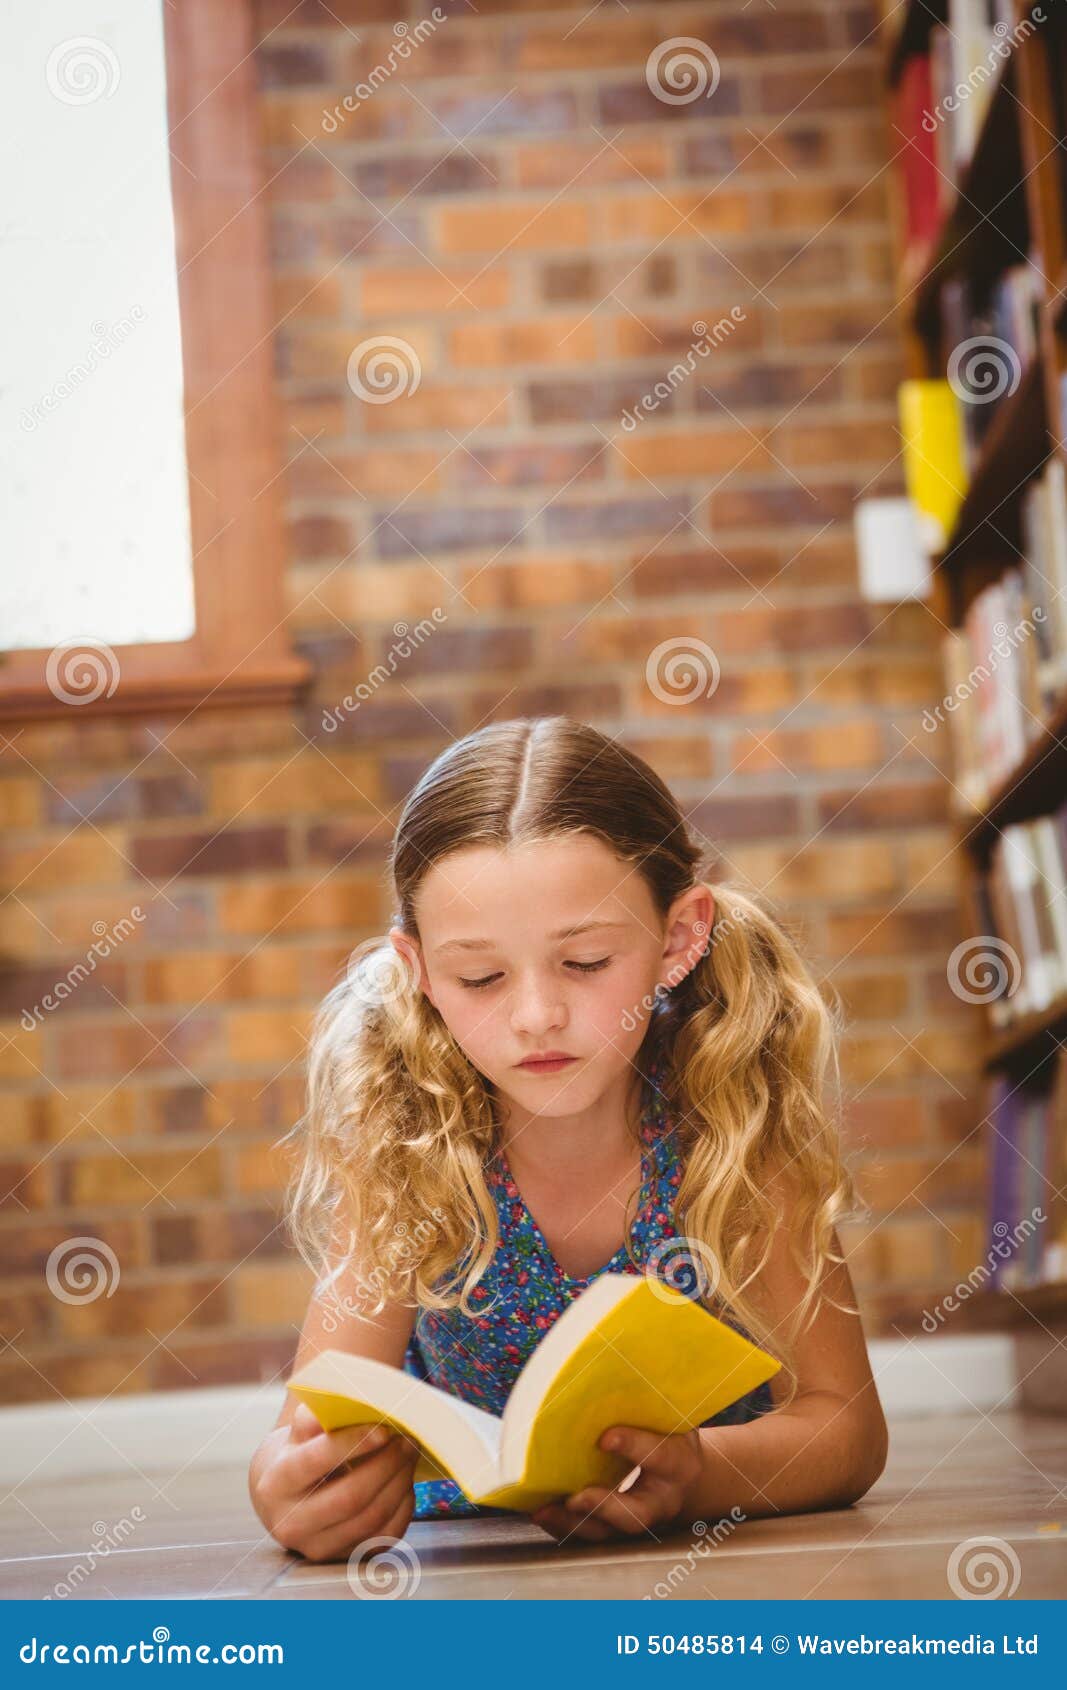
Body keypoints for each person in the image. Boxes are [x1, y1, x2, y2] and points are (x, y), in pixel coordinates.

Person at [249, 716, 888, 1562]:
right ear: (422, 975)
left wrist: (697, 1480)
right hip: (465, 1565)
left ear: (678, 938)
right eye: (480, 977)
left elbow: (844, 1426)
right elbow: (308, 1423)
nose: (535, 1016)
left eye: (584, 962)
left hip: (702, 1547)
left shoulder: (729, 1116)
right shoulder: (405, 1136)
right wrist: (283, 1485)